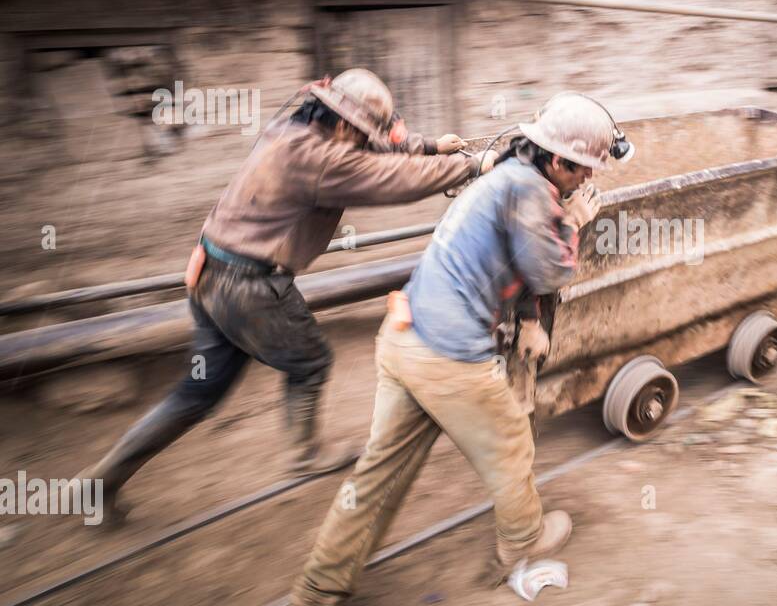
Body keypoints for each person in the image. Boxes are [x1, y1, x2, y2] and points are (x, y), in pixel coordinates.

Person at [77, 69, 493, 525]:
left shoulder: (290, 130)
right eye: (361, 132)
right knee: (311, 362)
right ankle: (304, 454)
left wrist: (431, 146)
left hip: (210, 272)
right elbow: (389, 176)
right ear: (342, 124)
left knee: (198, 394)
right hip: (250, 288)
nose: (365, 140)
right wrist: (472, 166)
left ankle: (99, 481)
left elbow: (379, 151)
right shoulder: (319, 159)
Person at [282, 92, 619, 606]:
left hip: (404, 338)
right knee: (511, 443)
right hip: (449, 355)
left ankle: (316, 596)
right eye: (583, 168)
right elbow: (549, 271)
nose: (587, 179)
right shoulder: (534, 194)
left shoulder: (508, 176)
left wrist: (528, 318)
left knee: (379, 474)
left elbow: (512, 263)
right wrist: (575, 223)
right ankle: (524, 541)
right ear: (557, 160)